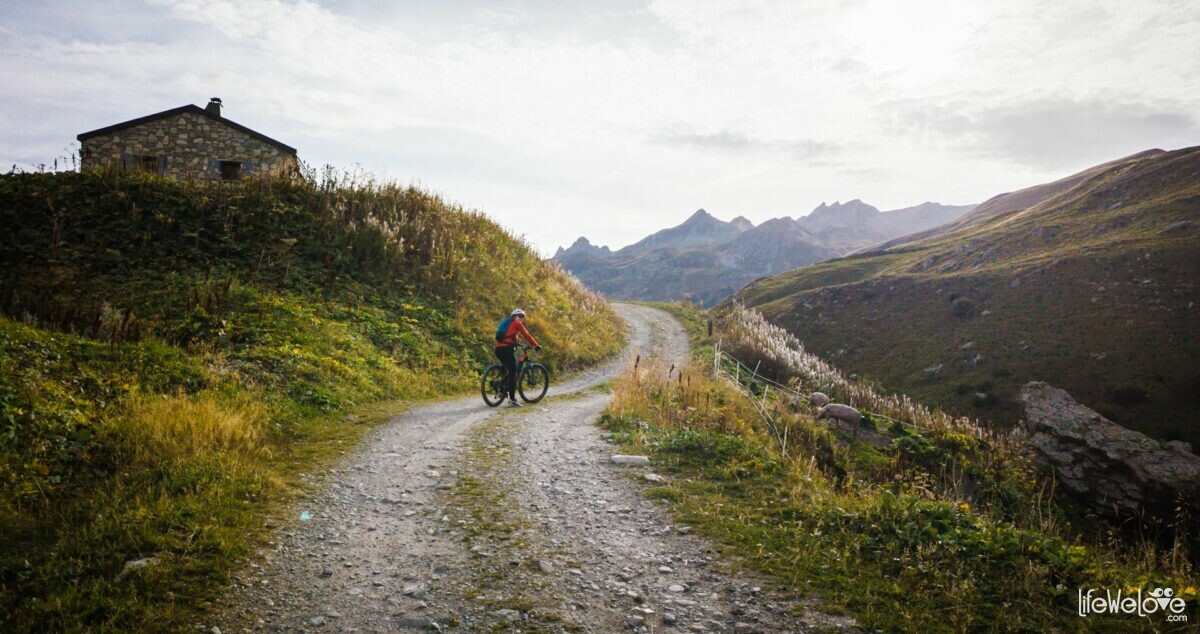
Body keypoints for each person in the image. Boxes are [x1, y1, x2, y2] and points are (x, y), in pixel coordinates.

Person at [495, 308, 540, 406]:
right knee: (513, 372)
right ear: (514, 316)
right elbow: (526, 335)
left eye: (523, 317)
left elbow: (511, 338)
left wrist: (517, 343)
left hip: (498, 350)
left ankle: (501, 390)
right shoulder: (516, 323)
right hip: (506, 350)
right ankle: (512, 400)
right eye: (520, 316)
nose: (521, 318)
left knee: (507, 369)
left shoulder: (507, 323)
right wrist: (535, 345)